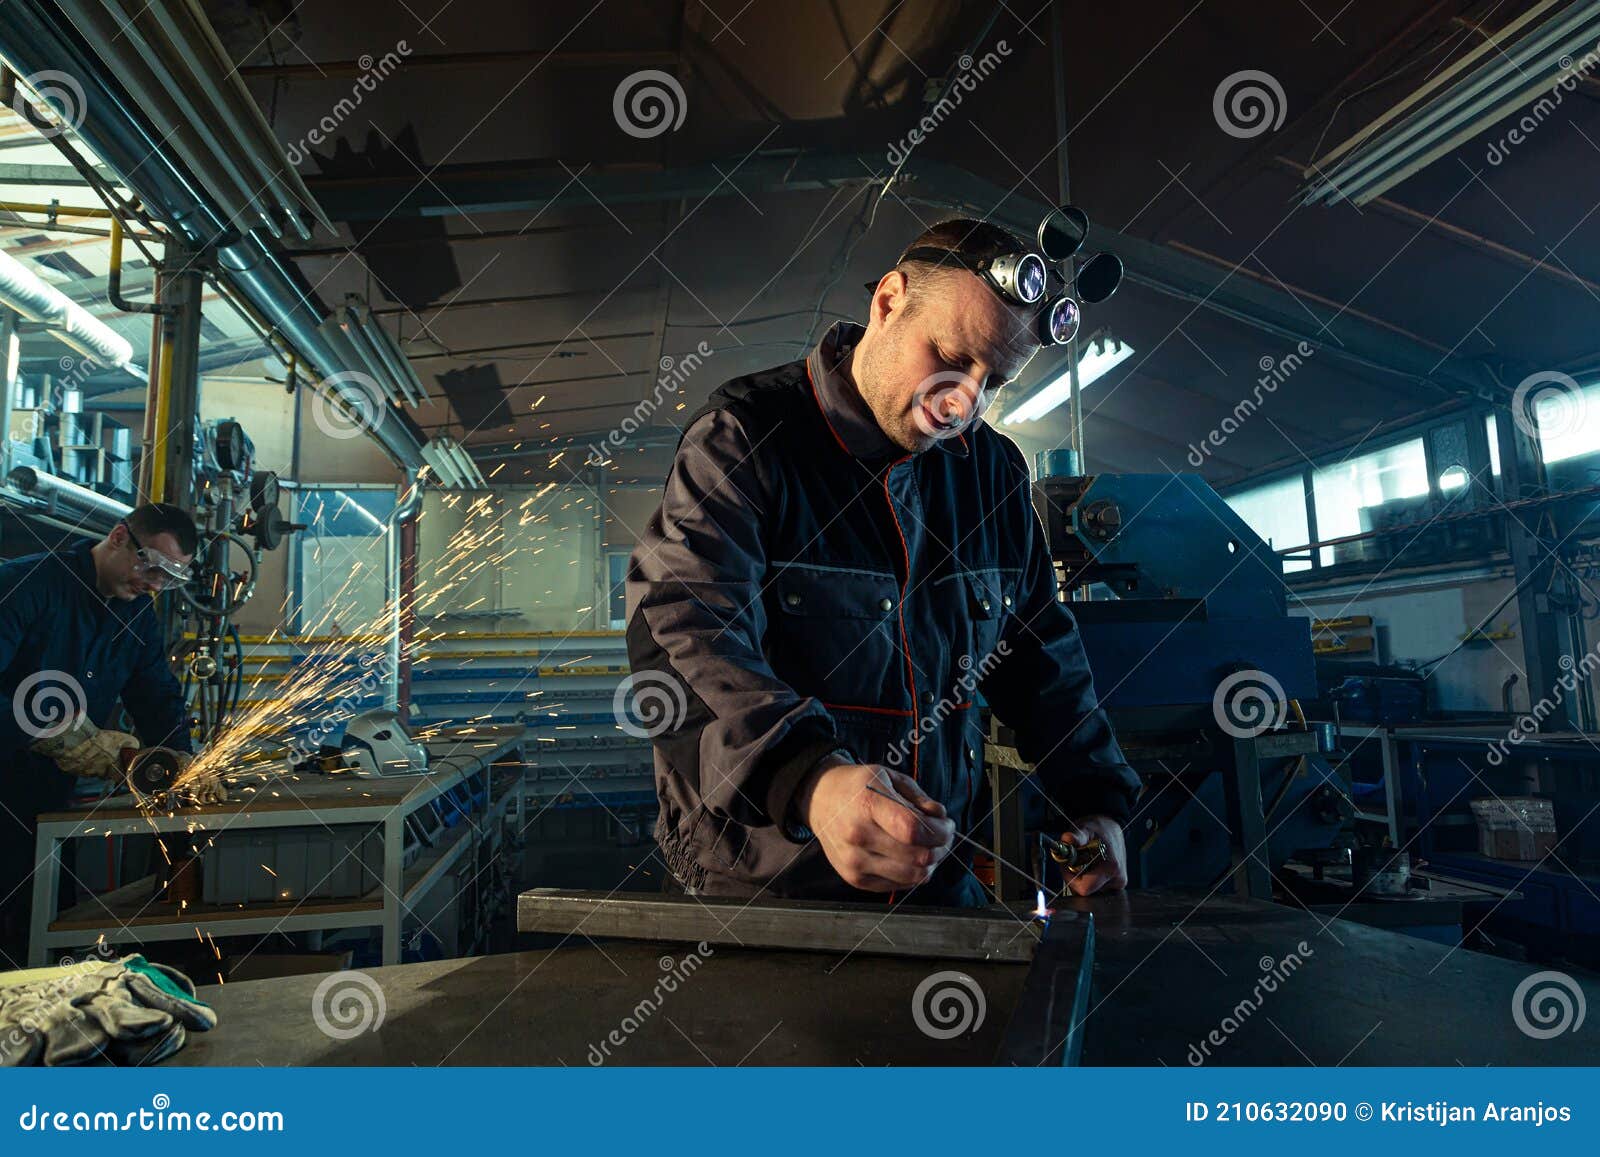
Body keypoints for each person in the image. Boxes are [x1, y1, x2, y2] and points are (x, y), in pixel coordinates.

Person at [626, 218, 1141, 908]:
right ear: (889, 301)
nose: (964, 403)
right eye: (951, 356)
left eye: (994, 382)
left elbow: (1041, 652)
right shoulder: (748, 439)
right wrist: (809, 782)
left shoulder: (990, 475)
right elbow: (683, 632)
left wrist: (1094, 801)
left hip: (932, 881)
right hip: (760, 893)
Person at [0, 504, 200, 966]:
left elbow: (156, 697)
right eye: (151, 567)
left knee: (44, 930)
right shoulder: (26, 586)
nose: (153, 584)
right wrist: (45, 731)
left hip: (49, 805)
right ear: (117, 537)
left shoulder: (136, 617)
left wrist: (182, 762)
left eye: (169, 578)